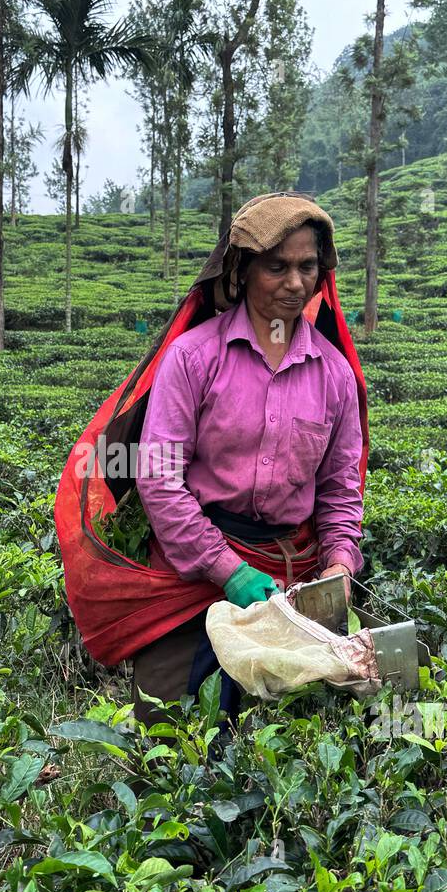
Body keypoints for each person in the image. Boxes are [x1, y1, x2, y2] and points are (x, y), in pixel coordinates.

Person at [129, 195, 366, 726]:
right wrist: (226, 569)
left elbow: (339, 488)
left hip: (293, 573)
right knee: (171, 724)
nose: (294, 283)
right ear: (242, 269)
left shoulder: (335, 375)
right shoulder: (193, 358)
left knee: (321, 722)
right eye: (276, 267)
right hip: (196, 566)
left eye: (307, 267)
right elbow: (160, 477)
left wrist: (339, 565)